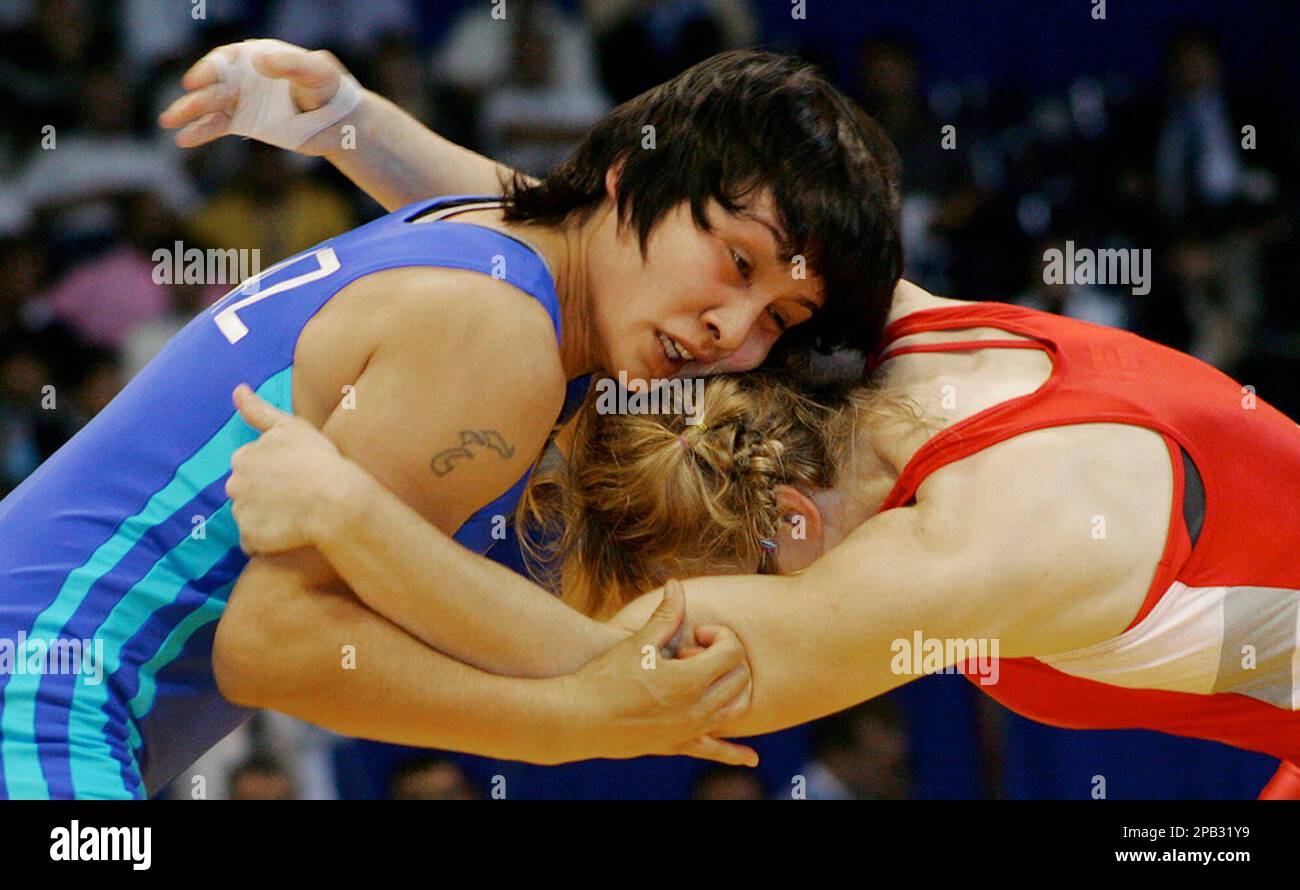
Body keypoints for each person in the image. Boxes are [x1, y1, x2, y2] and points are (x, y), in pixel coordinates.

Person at [0, 40, 903, 798]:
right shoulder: (498, 335)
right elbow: (274, 644)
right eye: (739, 264)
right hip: (44, 700)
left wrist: (353, 123)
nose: (731, 334)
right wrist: (575, 721)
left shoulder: (495, 234)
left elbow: (565, 194)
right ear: (634, 182)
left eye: (780, 321)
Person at [225, 272, 1300, 800]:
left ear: (787, 520)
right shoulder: (879, 338)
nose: (747, 622)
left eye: (734, 593)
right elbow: (591, 255)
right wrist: (354, 124)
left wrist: (348, 511)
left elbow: (618, 675)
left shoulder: (980, 545)